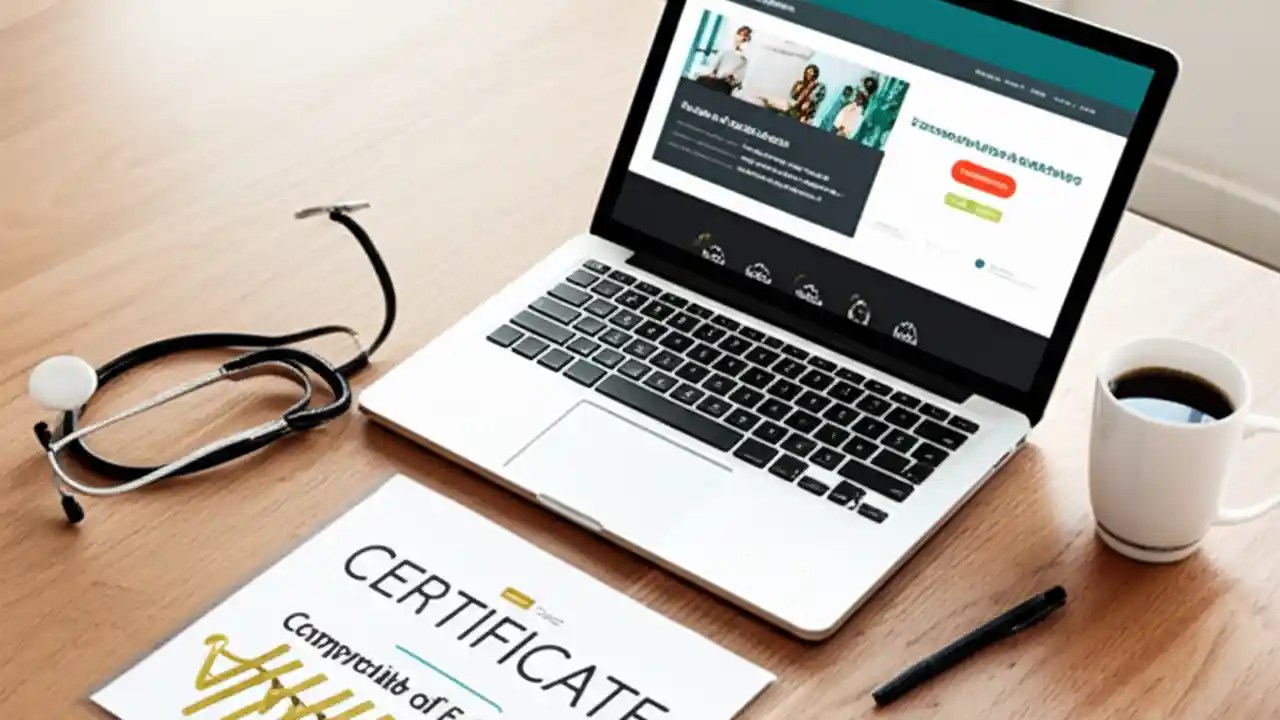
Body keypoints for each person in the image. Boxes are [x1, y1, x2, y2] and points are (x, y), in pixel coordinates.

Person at [696, 26, 752, 95]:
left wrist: (729, 79)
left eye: (744, 38)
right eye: (739, 35)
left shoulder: (744, 60)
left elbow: (736, 80)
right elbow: (713, 68)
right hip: (715, 81)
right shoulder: (726, 52)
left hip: (724, 86)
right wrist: (713, 74)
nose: (740, 39)